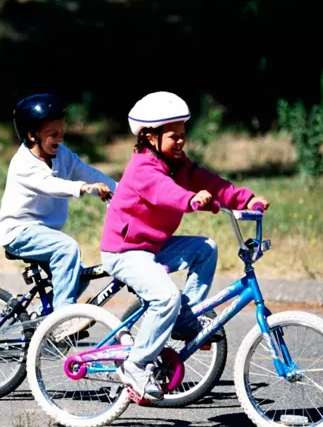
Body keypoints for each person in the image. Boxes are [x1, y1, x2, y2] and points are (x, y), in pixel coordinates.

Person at [100, 91, 270, 401]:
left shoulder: (178, 164)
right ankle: (136, 365)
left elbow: (212, 182)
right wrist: (190, 200)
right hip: (124, 251)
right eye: (173, 136)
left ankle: (184, 316)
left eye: (183, 134)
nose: (181, 141)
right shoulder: (144, 169)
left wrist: (247, 199)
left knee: (206, 248)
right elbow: (164, 192)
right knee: (165, 296)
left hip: (153, 245)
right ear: (150, 138)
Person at [0, 93, 117, 315]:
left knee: (78, 277)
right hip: (19, 231)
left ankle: (43, 319)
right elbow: (49, 184)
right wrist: (82, 188)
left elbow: (88, 172)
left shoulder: (63, 154)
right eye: (53, 134)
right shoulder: (23, 163)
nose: (59, 138)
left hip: (44, 232)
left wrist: (122, 193)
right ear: (32, 135)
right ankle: (63, 320)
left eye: (61, 132)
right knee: (67, 248)